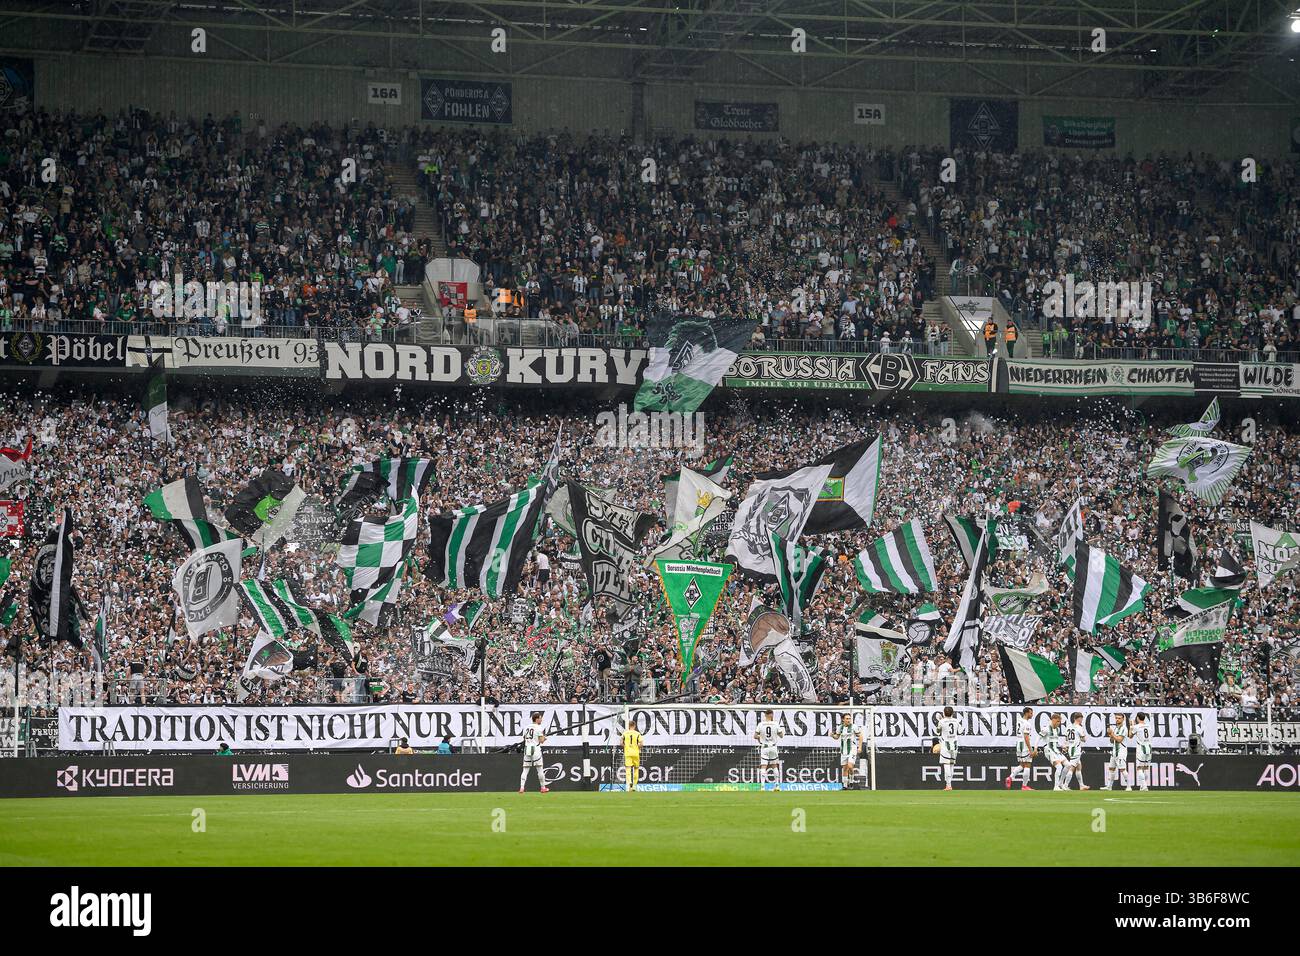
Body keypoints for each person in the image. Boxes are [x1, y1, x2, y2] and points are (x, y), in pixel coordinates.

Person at [1006, 706, 1035, 791]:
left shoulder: (1019, 721)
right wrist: (1030, 749)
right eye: (1031, 713)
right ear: (1026, 713)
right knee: (1027, 765)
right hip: (1024, 744)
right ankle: (1024, 786)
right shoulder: (1027, 723)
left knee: (1022, 765)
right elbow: (1026, 737)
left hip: (1018, 744)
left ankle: (1010, 777)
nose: (1032, 715)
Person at [754, 709, 784, 792]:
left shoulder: (761, 724)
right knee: (774, 765)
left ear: (765, 715)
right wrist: (775, 734)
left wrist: (760, 737)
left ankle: (763, 787)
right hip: (773, 747)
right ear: (772, 714)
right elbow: (781, 735)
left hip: (764, 747)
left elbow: (755, 736)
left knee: (763, 766)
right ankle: (777, 786)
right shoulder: (775, 724)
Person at [519, 711, 549, 793]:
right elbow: (541, 741)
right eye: (540, 718)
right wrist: (545, 738)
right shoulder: (539, 728)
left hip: (528, 748)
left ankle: (522, 787)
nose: (541, 720)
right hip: (535, 748)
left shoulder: (526, 727)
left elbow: (524, 738)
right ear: (536, 719)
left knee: (525, 769)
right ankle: (543, 787)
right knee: (539, 768)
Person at [831, 712, 861, 790]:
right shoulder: (840, 728)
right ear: (843, 719)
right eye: (847, 718)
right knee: (844, 768)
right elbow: (837, 737)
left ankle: (851, 781)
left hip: (852, 748)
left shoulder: (854, 727)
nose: (849, 720)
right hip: (843, 750)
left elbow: (860, 736)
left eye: (850, 718)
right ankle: (845, 786)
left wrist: (859, 747)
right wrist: (832, 735)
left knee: (850, 766)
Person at [1061, 712, 1090, 791]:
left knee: (1079, 767)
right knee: (1072, 767)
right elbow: (1084, 739)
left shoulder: (1068, 727)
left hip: (1071, 748)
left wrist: (1066, 746)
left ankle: (1081, 785)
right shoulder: (1079, 727)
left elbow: (1066, 738)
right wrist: (1081, 738)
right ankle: (1065, 785)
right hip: (1076, 749)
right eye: (1081, 718)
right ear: (1080, 718)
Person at [1104, 714, 1129, 791]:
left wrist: (1112, 734)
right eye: (1116, 718)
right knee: (1111, 768)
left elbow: (1119, 740)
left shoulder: (1124, 728)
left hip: (1121, 751)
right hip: (1114, 751)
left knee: (1122, 769)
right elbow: (1112, 741)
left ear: (1123, 719)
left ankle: (1128, 786)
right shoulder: (1116, 728)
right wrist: (1110, 735)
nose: (1117, 720)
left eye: (1119, 718)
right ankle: (1109, 786)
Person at [1043, 713, 1068, 790]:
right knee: (1059, 767)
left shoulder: (1057, 729)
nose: (1059, 723)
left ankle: (1060, 783)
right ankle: (1056, 786)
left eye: (1060, 722)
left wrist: (1062, 746)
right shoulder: (1046, 729)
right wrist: (1035, 748)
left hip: (1056, 750)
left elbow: (1056, 741)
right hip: (1048, 749)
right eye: (1058, 721)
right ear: (1053, 720)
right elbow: (1038, 738)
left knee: (1068, 765)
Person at [938, 705, 959, 790]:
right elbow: (960, 731)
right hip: (954, 744)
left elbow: (937, 731)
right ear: (952, 713)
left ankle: (948, 785)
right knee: (952, 764)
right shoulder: (956, 721)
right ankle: (949, 784)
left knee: (946, 764)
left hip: (945, 745)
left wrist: (940, 721)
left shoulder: (942, 721)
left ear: (944, 713)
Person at [1132, 712, 1153, 792]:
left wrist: (1131, 727)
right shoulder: (1149, 726)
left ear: (1137, 718)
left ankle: (1144, 786)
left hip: (1141, 748)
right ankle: (1142, 786)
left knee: (1139, 768)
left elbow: (1130, 736)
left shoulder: (1136, 727)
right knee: (1146, 767)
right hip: (1149, 747)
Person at [620, 719, 643, 792]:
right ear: (635, 726)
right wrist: (637, 746)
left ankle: (629, 782)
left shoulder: (624, 733)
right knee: (636, 769)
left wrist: (626, 746)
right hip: (636, 753)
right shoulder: (638, 734)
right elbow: (641, 744)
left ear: (629, 726)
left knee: (628, 769)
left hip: (627, 753)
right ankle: (635, 786)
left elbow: (621, 743)